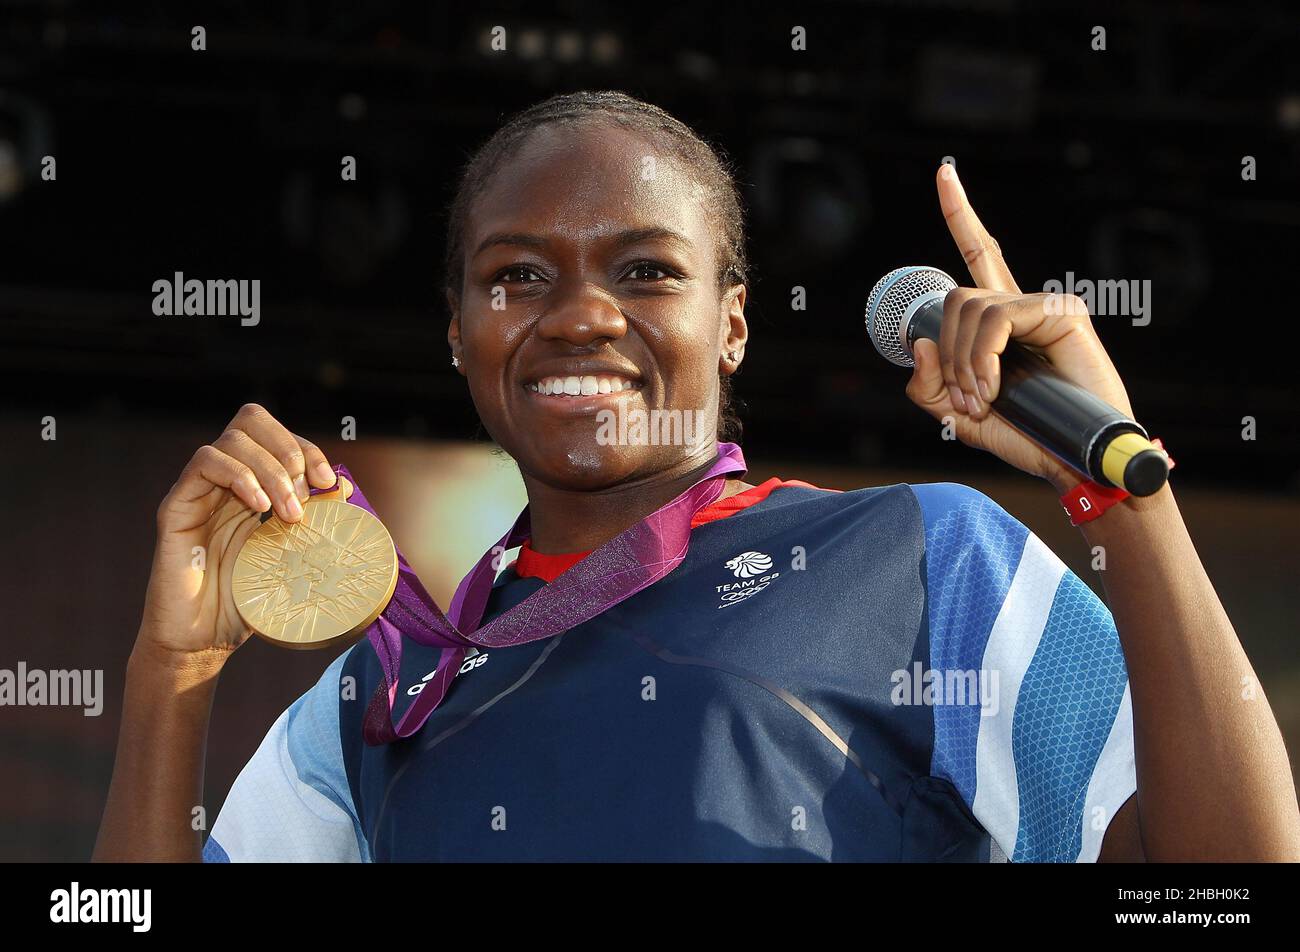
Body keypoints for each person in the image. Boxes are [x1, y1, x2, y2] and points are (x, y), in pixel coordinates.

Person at [94, 90, 1300, 862]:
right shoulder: (388, 682)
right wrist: (170, 679)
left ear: (731, 323)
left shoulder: (922, 562)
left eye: (644, 271)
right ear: (457, 333)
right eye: (515, 276)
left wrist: (1123, 492)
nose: (577, 318)